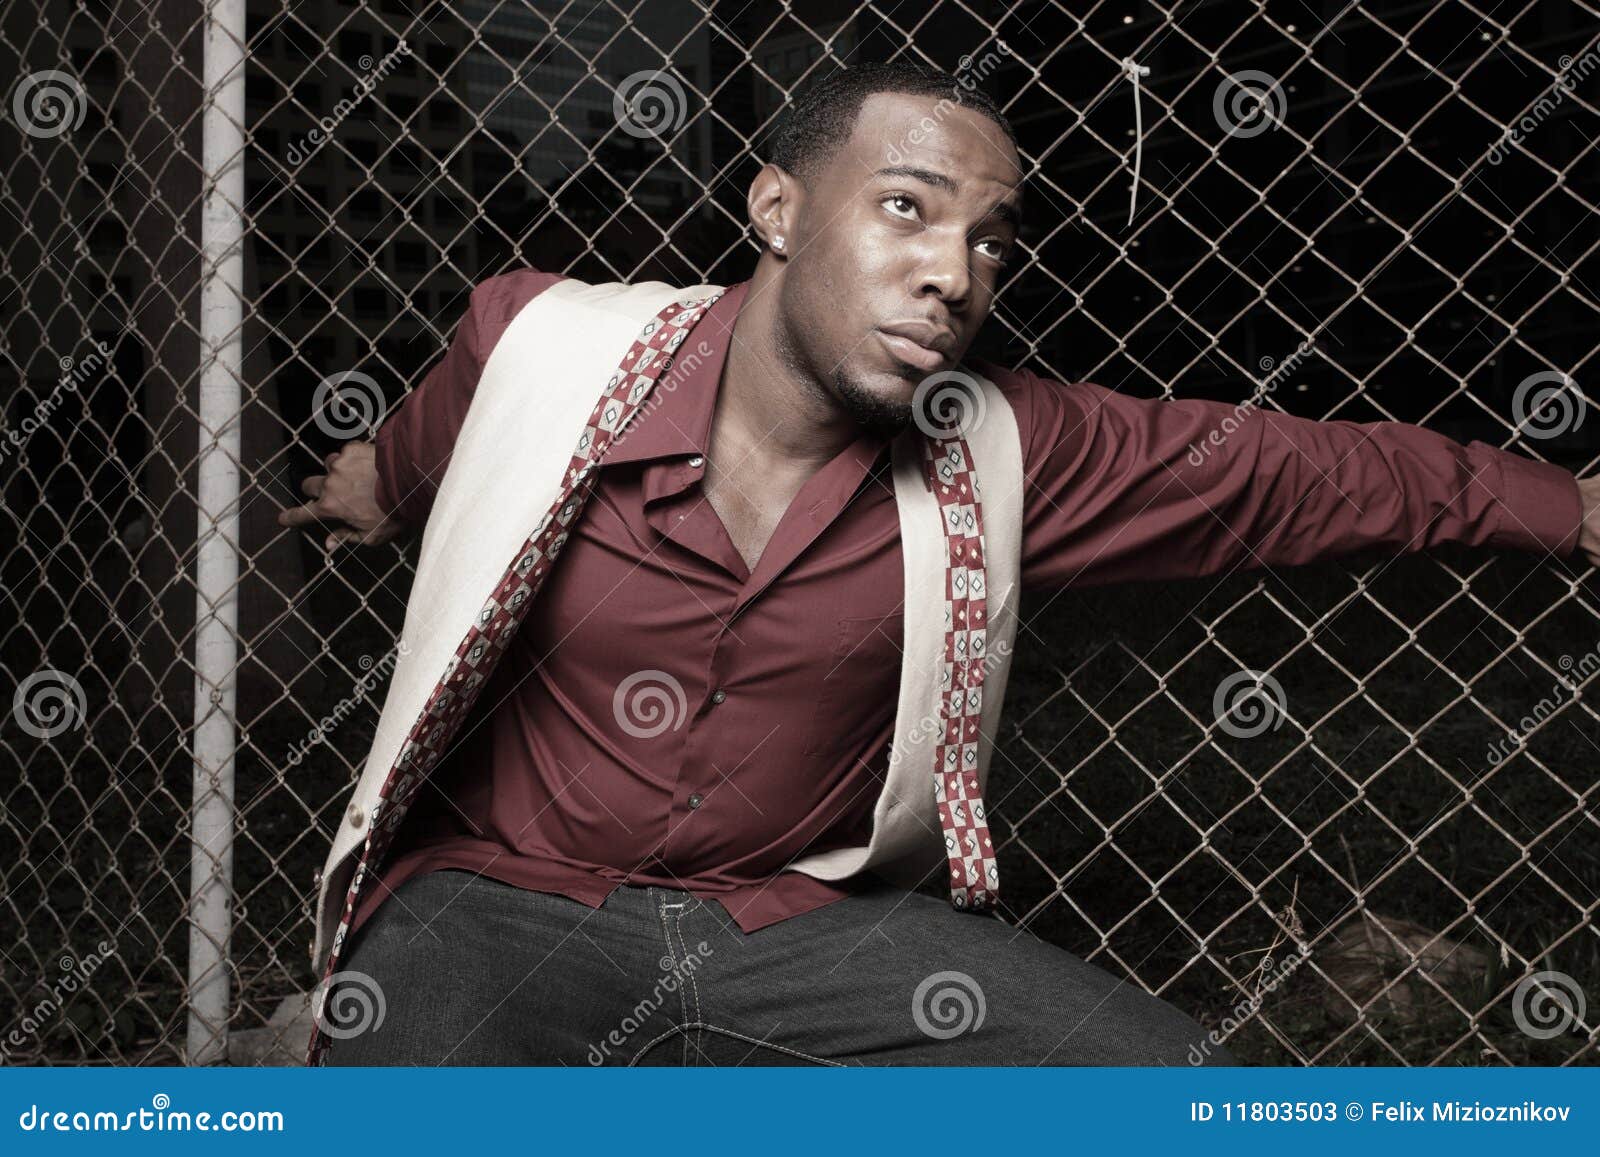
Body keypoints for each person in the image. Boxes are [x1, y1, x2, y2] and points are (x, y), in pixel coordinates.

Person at [279, 61, 1598, 1066]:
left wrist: (1571, 508)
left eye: (989, 238)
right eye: (905, 209)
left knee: (1176, 1097)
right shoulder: (544, 347)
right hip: (496, 904)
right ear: (778, 209)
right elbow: (438, 443)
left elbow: (1288, 472)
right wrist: (373, 484)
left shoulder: (1004, 450)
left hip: (791, 930)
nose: (953, 275)